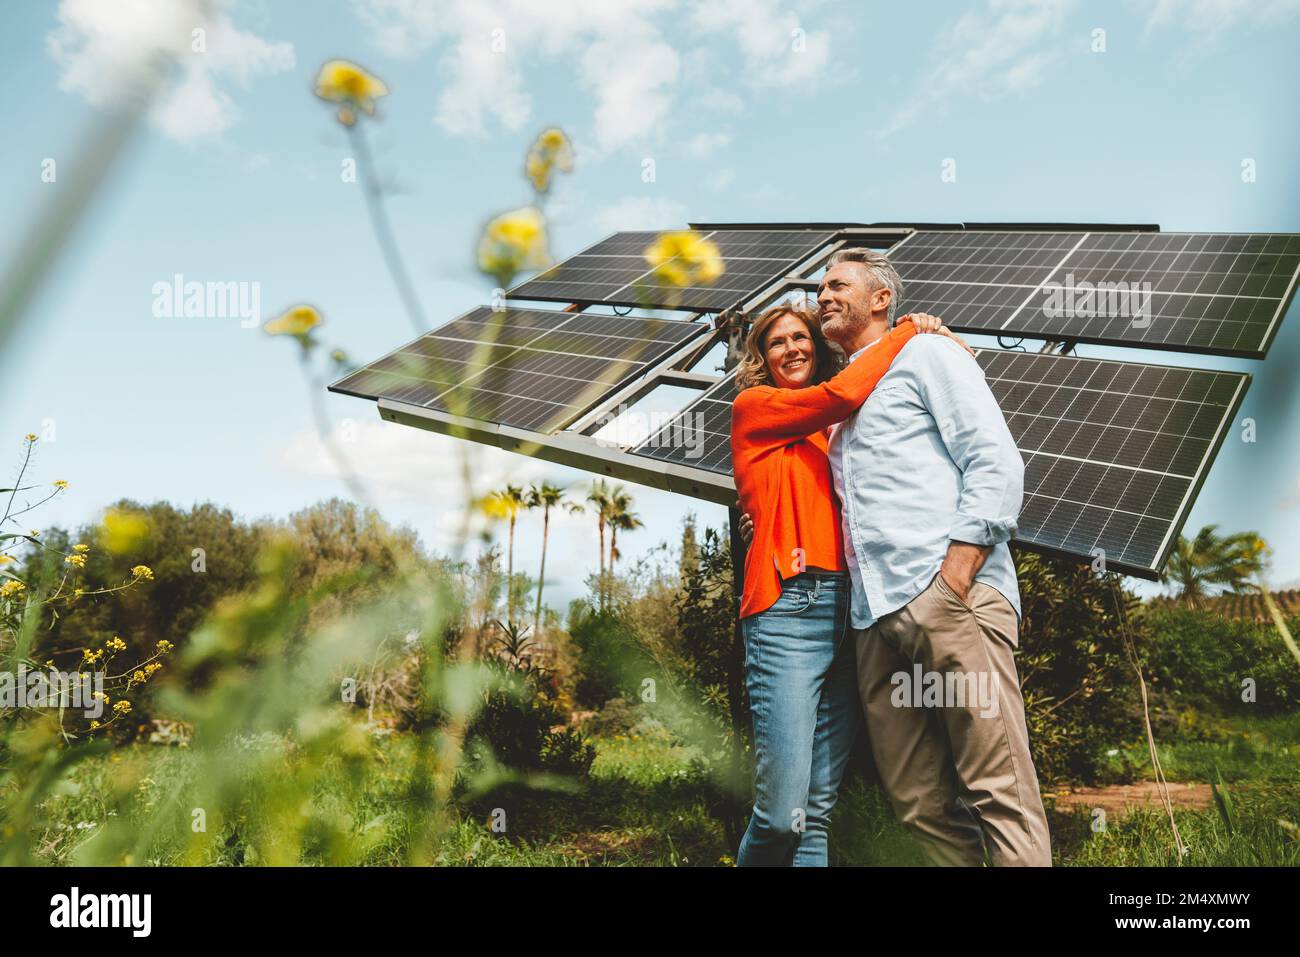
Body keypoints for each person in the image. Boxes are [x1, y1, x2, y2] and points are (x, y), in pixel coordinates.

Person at [816, 247, 1052, 867]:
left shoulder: (928, 352)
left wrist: (954, 578)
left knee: (997, 786)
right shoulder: (838, 400)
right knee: (918, 802)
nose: (823, 297)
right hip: (876, 618)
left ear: (882, 299)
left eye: (838, 284)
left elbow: (995, 462)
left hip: (948, 598)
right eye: (820, 289)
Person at [730, 299, 966, 866]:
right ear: (762, 357)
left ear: (817, 346)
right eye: (777, 341)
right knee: (780, 812)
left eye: (801, 337)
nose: (792, 348)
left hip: (849, 612)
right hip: (788, 610)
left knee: (815, 812)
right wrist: (908, 330)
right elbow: (839, 394)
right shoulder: (756, 407)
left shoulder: (833, 432)